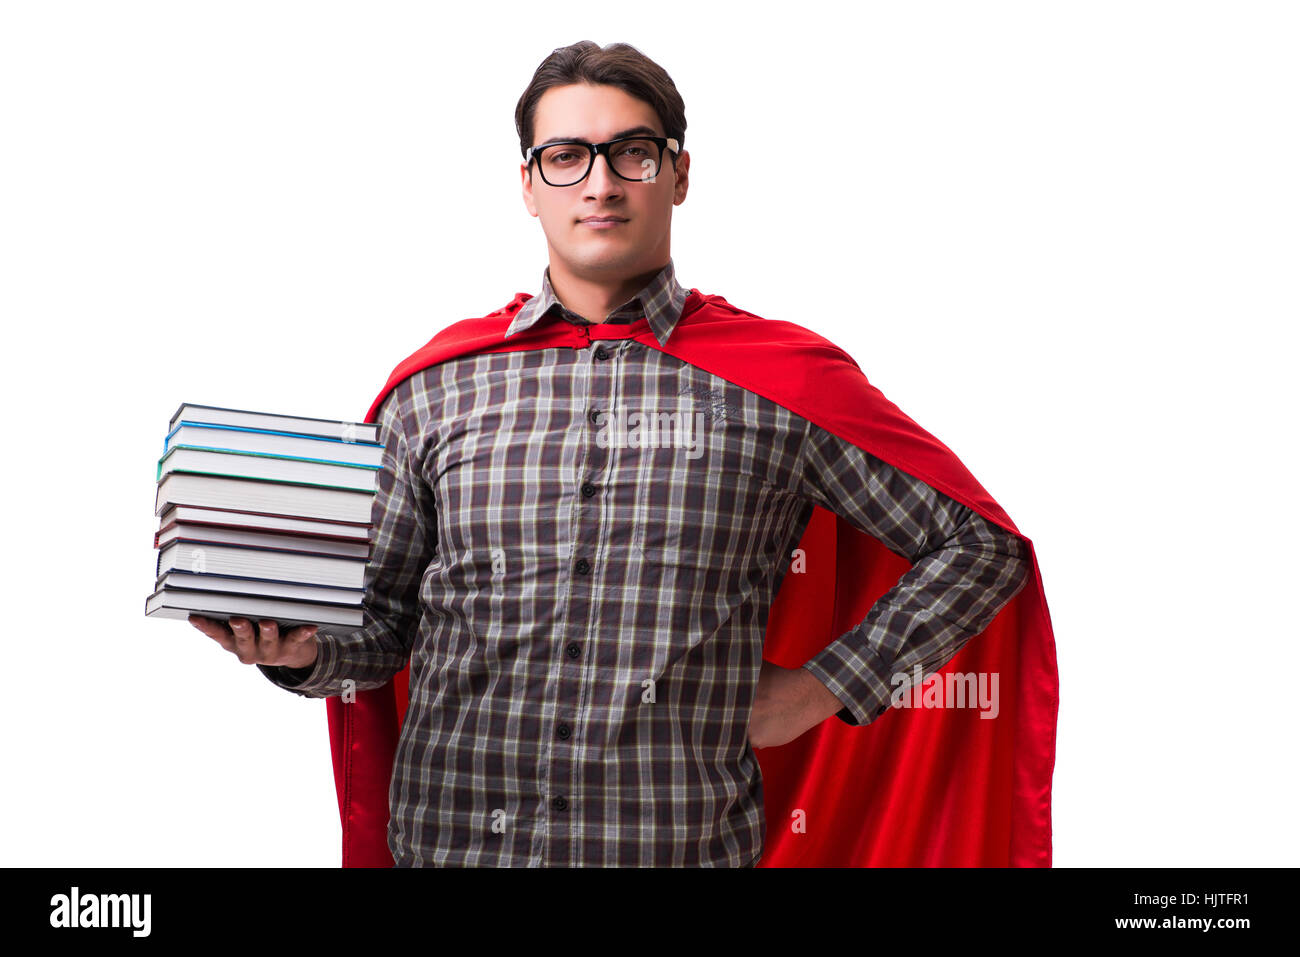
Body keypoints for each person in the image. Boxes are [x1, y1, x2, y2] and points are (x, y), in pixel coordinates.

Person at [189, 40, 1044, 867]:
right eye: (566, 156)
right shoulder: (436, 387)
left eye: (632, 153)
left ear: (678, 173)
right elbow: (383, 629)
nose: (600, 184)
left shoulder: (781, 383)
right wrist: (300, 651)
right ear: (528, 184)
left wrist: (820, 688)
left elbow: (980, 544)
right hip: (449, 847)